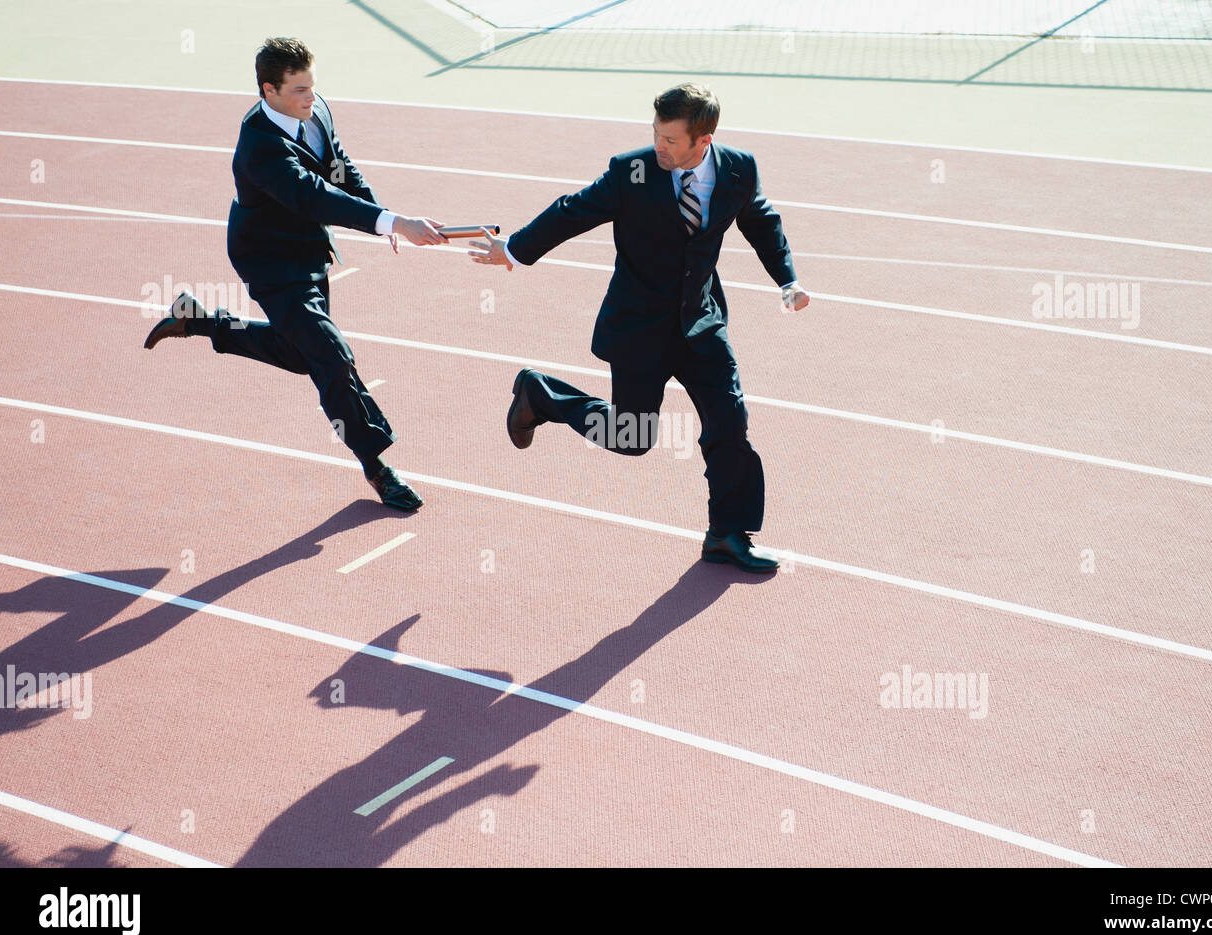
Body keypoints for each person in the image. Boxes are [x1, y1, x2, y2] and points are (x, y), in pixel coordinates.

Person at [469, 83, 810, 572]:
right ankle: (540, 395)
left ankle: (728, 533)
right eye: (655, 133)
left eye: (671, 140)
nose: (659, 146)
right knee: (632, 437)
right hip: (640, 327)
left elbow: (758, 217)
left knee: (729, 424)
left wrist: (786, 279)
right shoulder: (631, 171)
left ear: (704, 140)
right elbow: (574, 210)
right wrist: (516, 250)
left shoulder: (738, 168)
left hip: (700, 320)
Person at [143, 37, 447, 510]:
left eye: (312, 87)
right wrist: (394, 223)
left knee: (302, 351)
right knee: (330, 355)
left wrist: (377, 212)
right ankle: (376, 466)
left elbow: (338, 169)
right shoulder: (259, 148)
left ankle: (201, 321)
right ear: (269, 90)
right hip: (268, 261)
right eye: (299, 90)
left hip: (308, 251)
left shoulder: (316, 110)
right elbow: (313, 195)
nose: (311, 98)